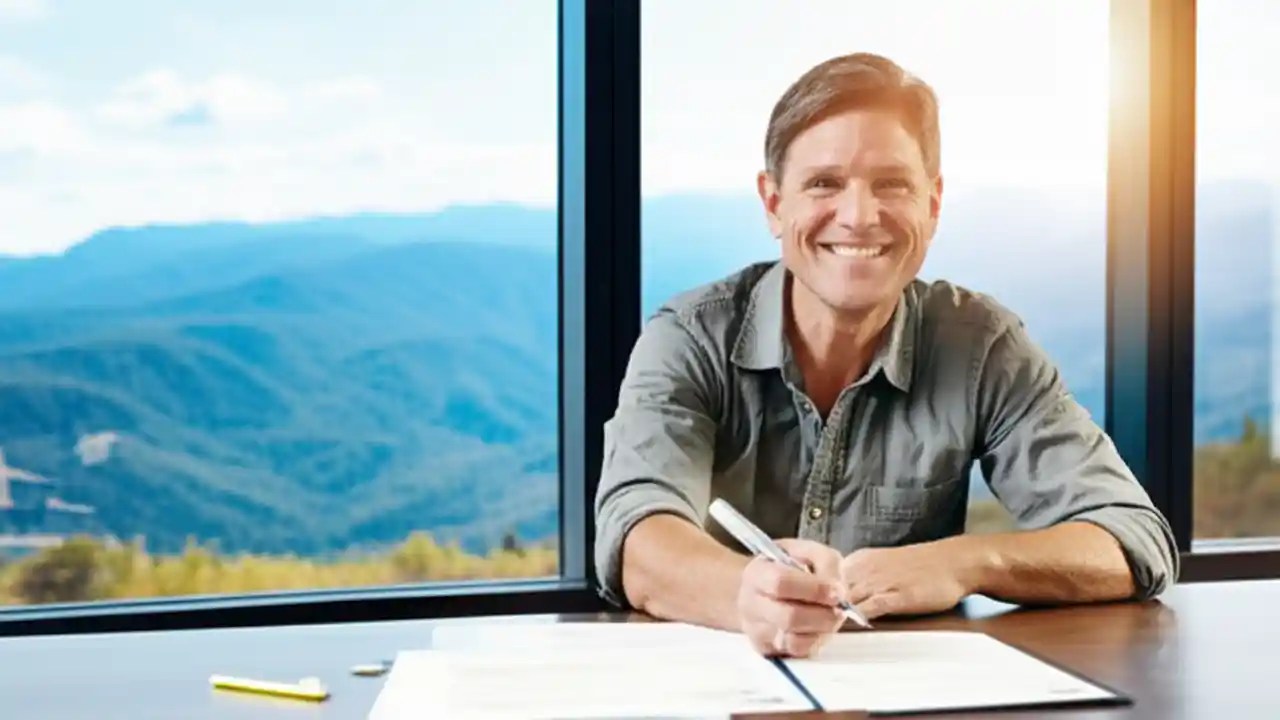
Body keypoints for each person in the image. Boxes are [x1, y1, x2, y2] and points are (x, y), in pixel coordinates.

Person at [592, 51, 1179, 658]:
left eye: (892, 184)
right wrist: (748, 596)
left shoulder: (983, 346)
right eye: (824, 183)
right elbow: (636, 536)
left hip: (907, 685)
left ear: (933, 203)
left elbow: (1132, 539)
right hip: (721, 683)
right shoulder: (690, 336)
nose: (858, 217)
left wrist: (964, 562)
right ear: (773, 204)